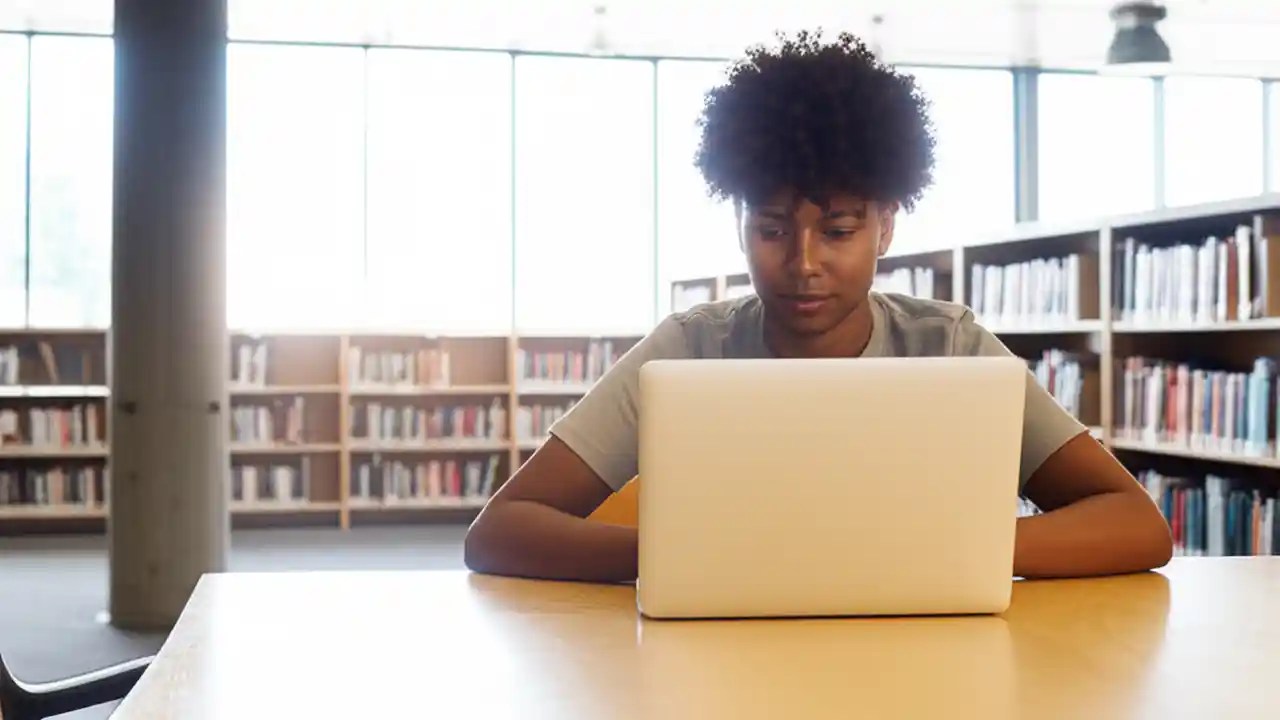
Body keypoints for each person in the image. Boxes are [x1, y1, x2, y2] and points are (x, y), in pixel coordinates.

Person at [465, 30, 1172, 583]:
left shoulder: (949, 347)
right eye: (771, 230)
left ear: (886, 225)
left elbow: (1137, 525)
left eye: (837, 231)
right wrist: (689, 558)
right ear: (740, 225)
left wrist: (942, 553)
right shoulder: (688, 348)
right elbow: (501, 531)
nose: (803, 262)